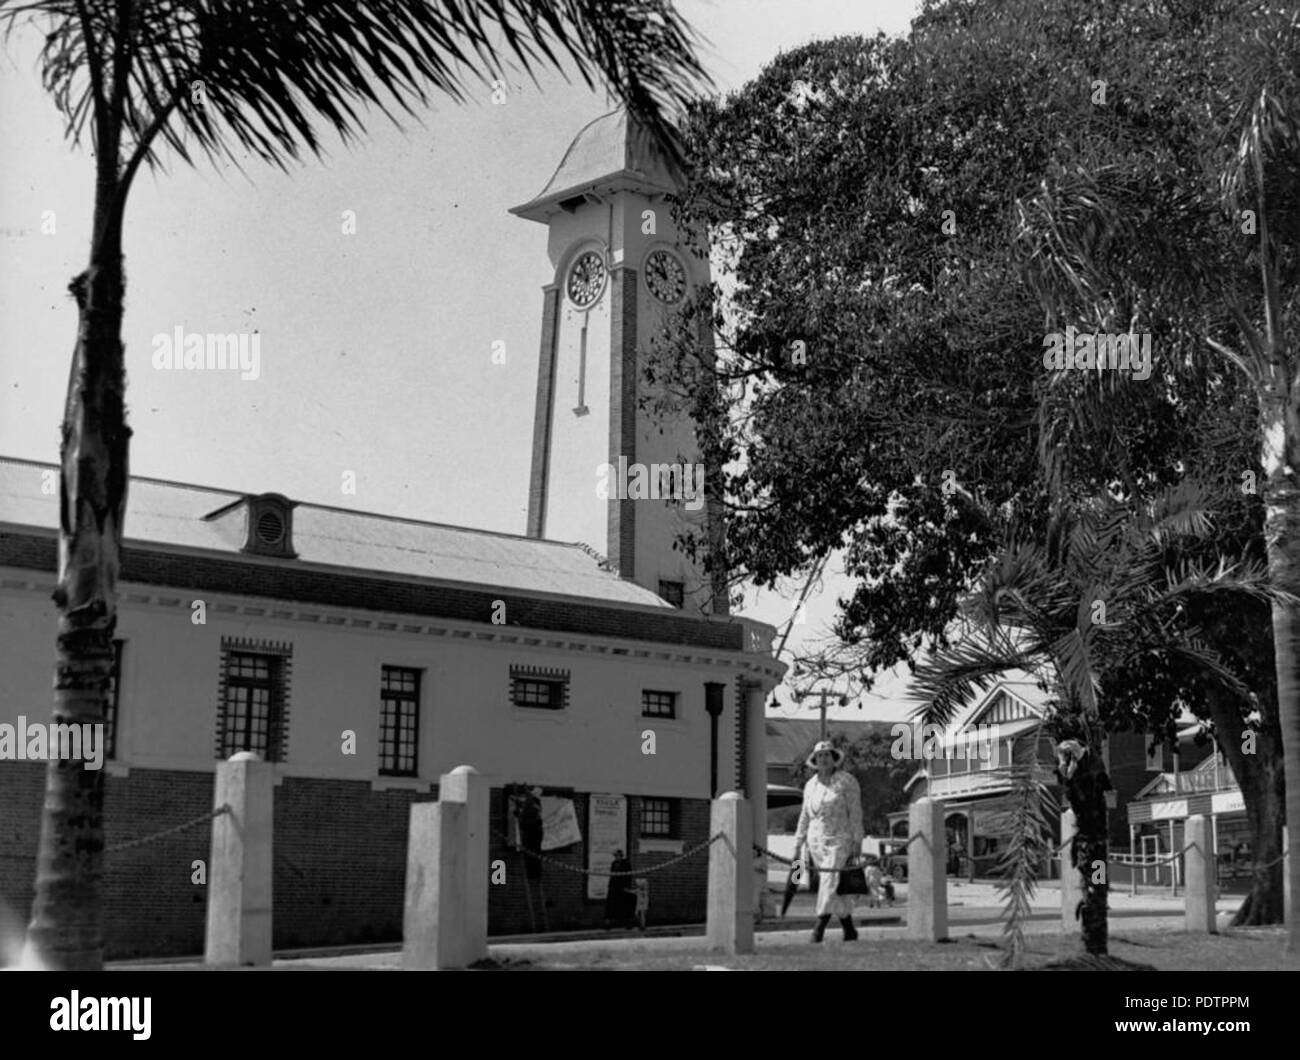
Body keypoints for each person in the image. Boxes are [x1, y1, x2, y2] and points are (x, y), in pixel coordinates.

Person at [793, 739, 864, 942]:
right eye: (819, 756)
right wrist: (798, 841)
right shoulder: (810, 786)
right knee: (834, 888)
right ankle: (849, 930)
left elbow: (855, 812)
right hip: (816, 842)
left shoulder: (846, 781)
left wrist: (858, 839)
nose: (823, 759)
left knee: (828, 880)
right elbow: (805, 816)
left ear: (834, 758)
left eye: (827, 755)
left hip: (840, 838)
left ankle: (819, 928)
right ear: (815, 760)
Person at [605, 849, 636, 929]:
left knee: (625, 905)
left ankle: (628, 923)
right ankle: (609, 923)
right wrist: (610, 886)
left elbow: (628, 876)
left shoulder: (626, 864)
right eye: (615, 856)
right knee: (611, 905)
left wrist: (626, 887)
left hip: (622, 887)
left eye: (618, 855)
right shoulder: (614, 863)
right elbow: (612, 876)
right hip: (614, 887)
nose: (616, 857)